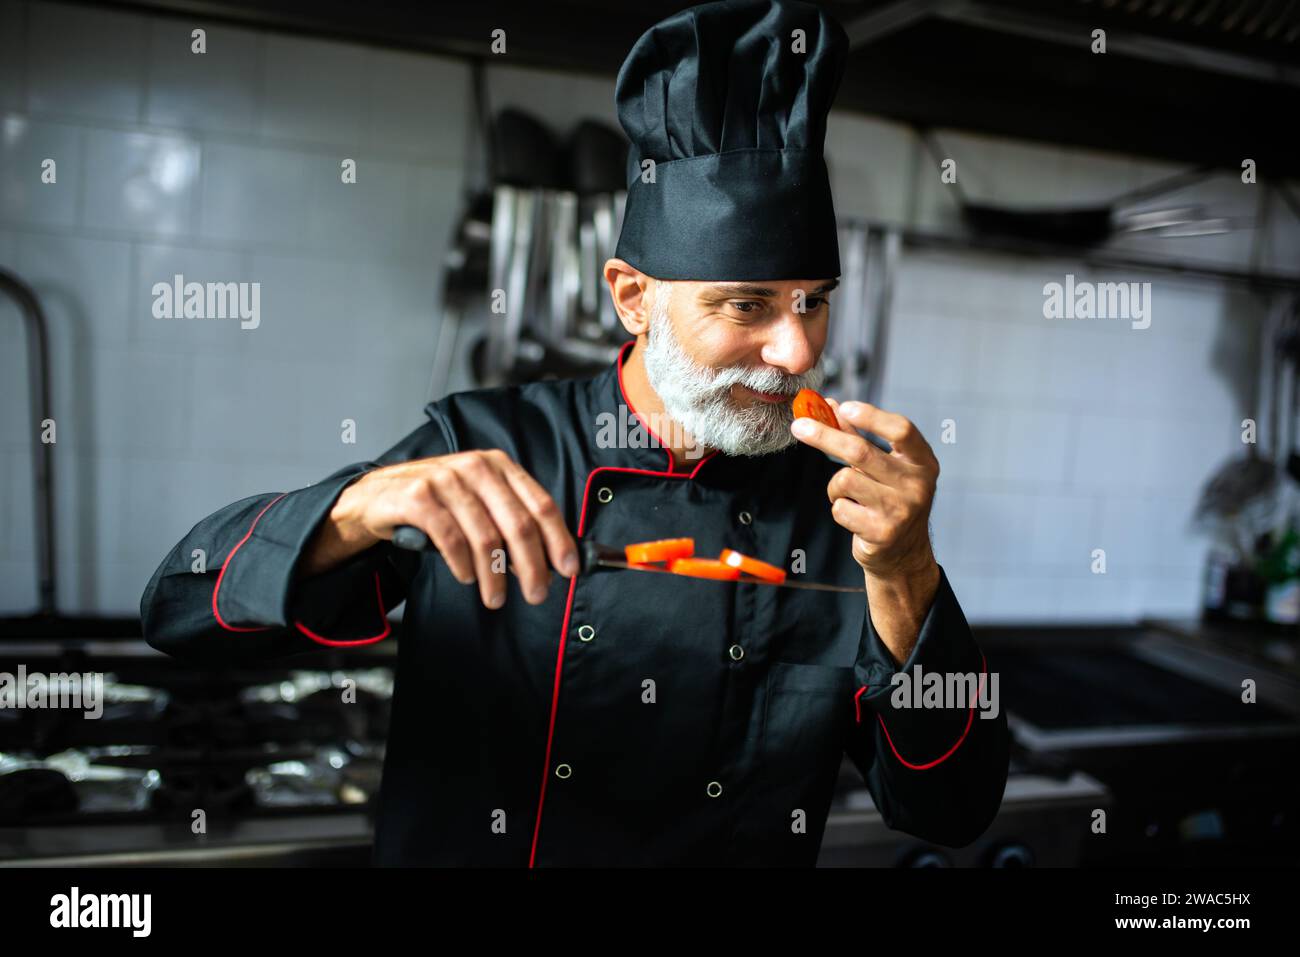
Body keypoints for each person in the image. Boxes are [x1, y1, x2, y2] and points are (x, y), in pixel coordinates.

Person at [141, 0, 1009, 866]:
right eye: (748, 304)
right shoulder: (488, 447)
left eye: (813, 300)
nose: (800, 349)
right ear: (634, 296)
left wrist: (908, 576)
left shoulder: (843, 517)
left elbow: (951, 805)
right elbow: (179, 609)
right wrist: (356, 510)